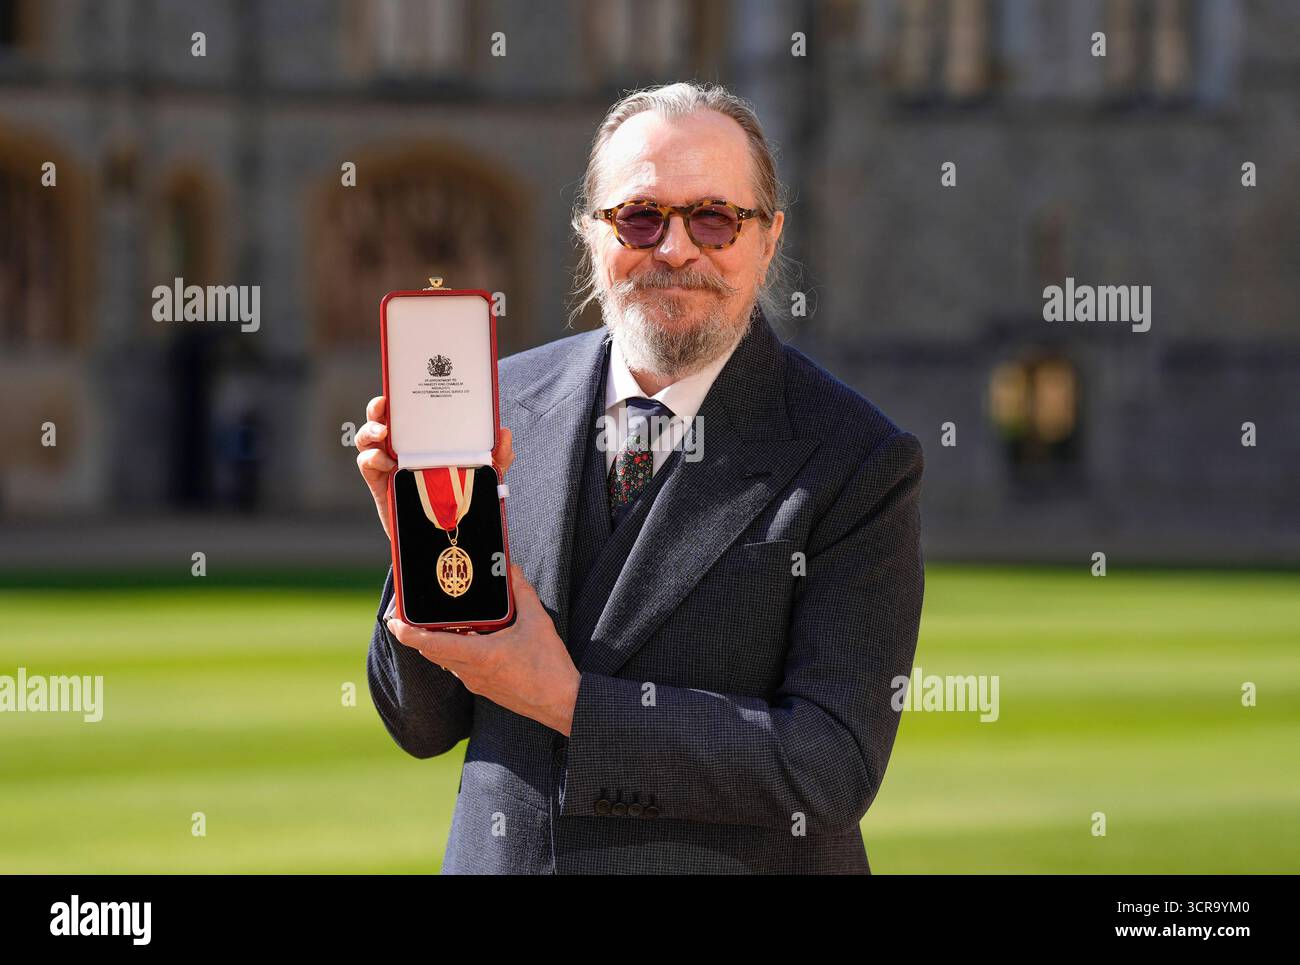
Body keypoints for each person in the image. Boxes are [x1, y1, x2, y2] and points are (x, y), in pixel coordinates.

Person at [356, 81, 924, 874]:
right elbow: (420, 725)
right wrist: (419, 551)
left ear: (767, 241)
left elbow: (828, 766)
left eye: (715, 217)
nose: (676, 248)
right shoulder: (502, 404)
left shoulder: (858, 459)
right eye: (641, 216)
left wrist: (567, 700)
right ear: (593, 236)